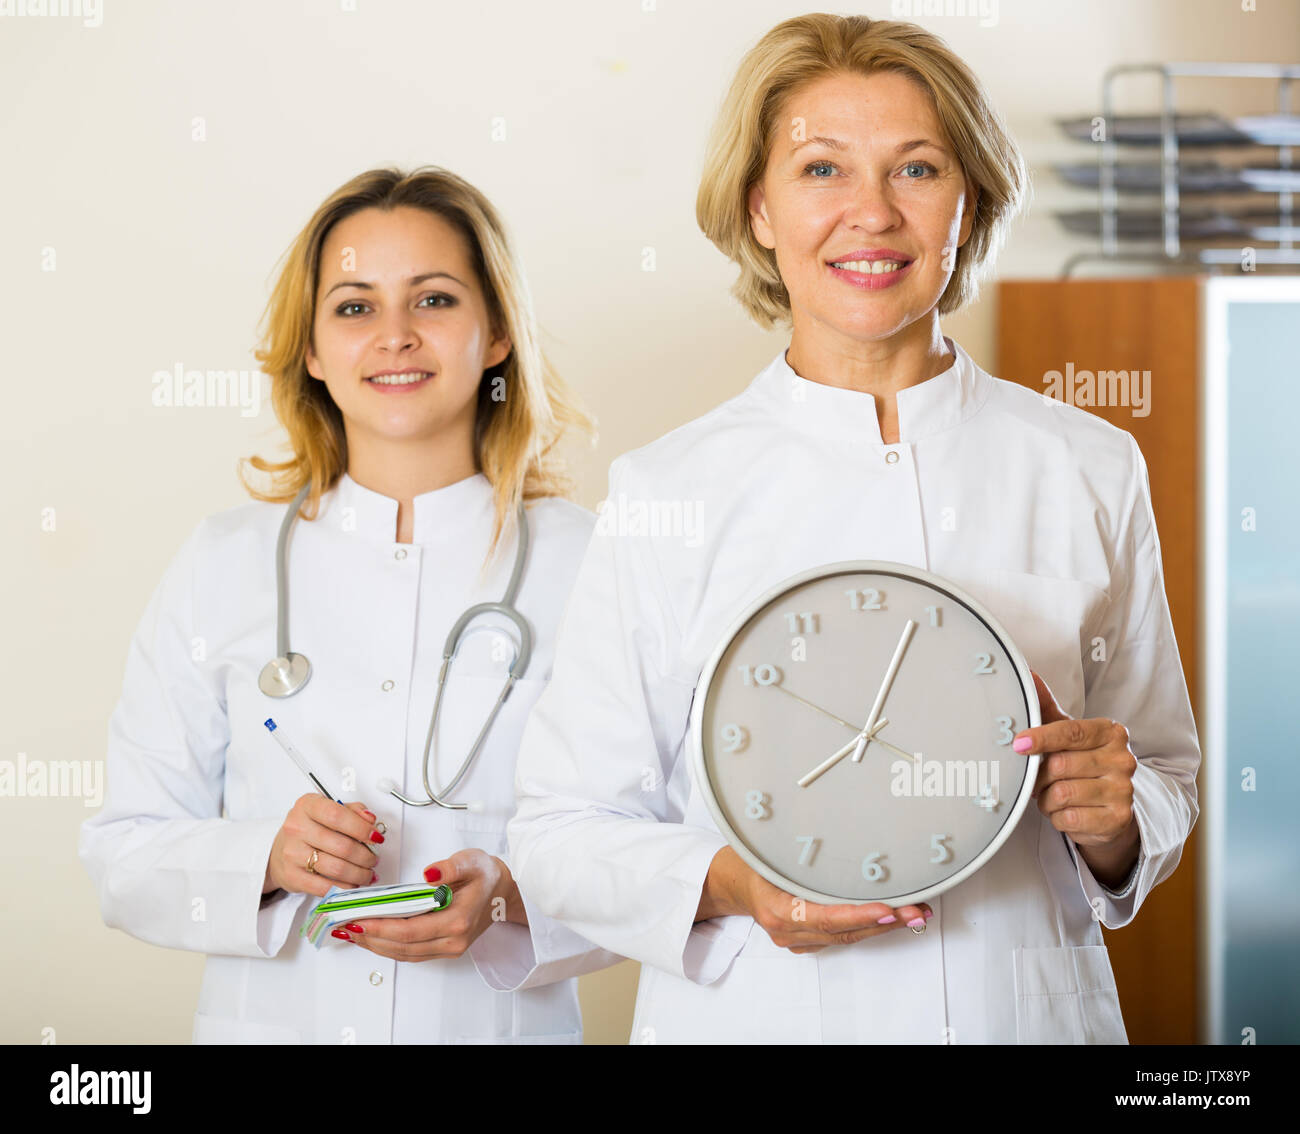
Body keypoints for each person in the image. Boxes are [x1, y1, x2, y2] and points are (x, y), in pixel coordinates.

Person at [506, 14, 1200, 1044]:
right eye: (821, 169)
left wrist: (1117, 817)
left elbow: (1165, 776)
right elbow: (560, 833)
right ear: (758, 207)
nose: (869, 215)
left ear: (970, 201)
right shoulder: (667, 487)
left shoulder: (1088, 466)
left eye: (915, 169)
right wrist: (740, 885)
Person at [80, 166, 619, 1044]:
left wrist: (510, 900)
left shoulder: (588, 562)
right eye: (356, 306)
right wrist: (263, 858)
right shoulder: (223, 563)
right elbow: (122, 852)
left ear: (495, 336)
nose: (395, 336)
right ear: (313, 350)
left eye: (435, 300)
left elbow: (660, 855)